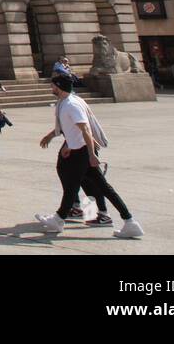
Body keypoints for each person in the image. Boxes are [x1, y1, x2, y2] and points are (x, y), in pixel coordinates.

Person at [36, 73, 143, 239]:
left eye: (53, 85)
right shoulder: (66, 102)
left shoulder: (71, 104)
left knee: (73, 185)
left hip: (82, 152)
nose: (51, 88)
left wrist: (91, 154)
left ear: (58, 86)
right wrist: (64, 143)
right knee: (99, 186)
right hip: (78, 150)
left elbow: (85, 129)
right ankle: (128, 221)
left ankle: (63, 218)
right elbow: (72, 129)